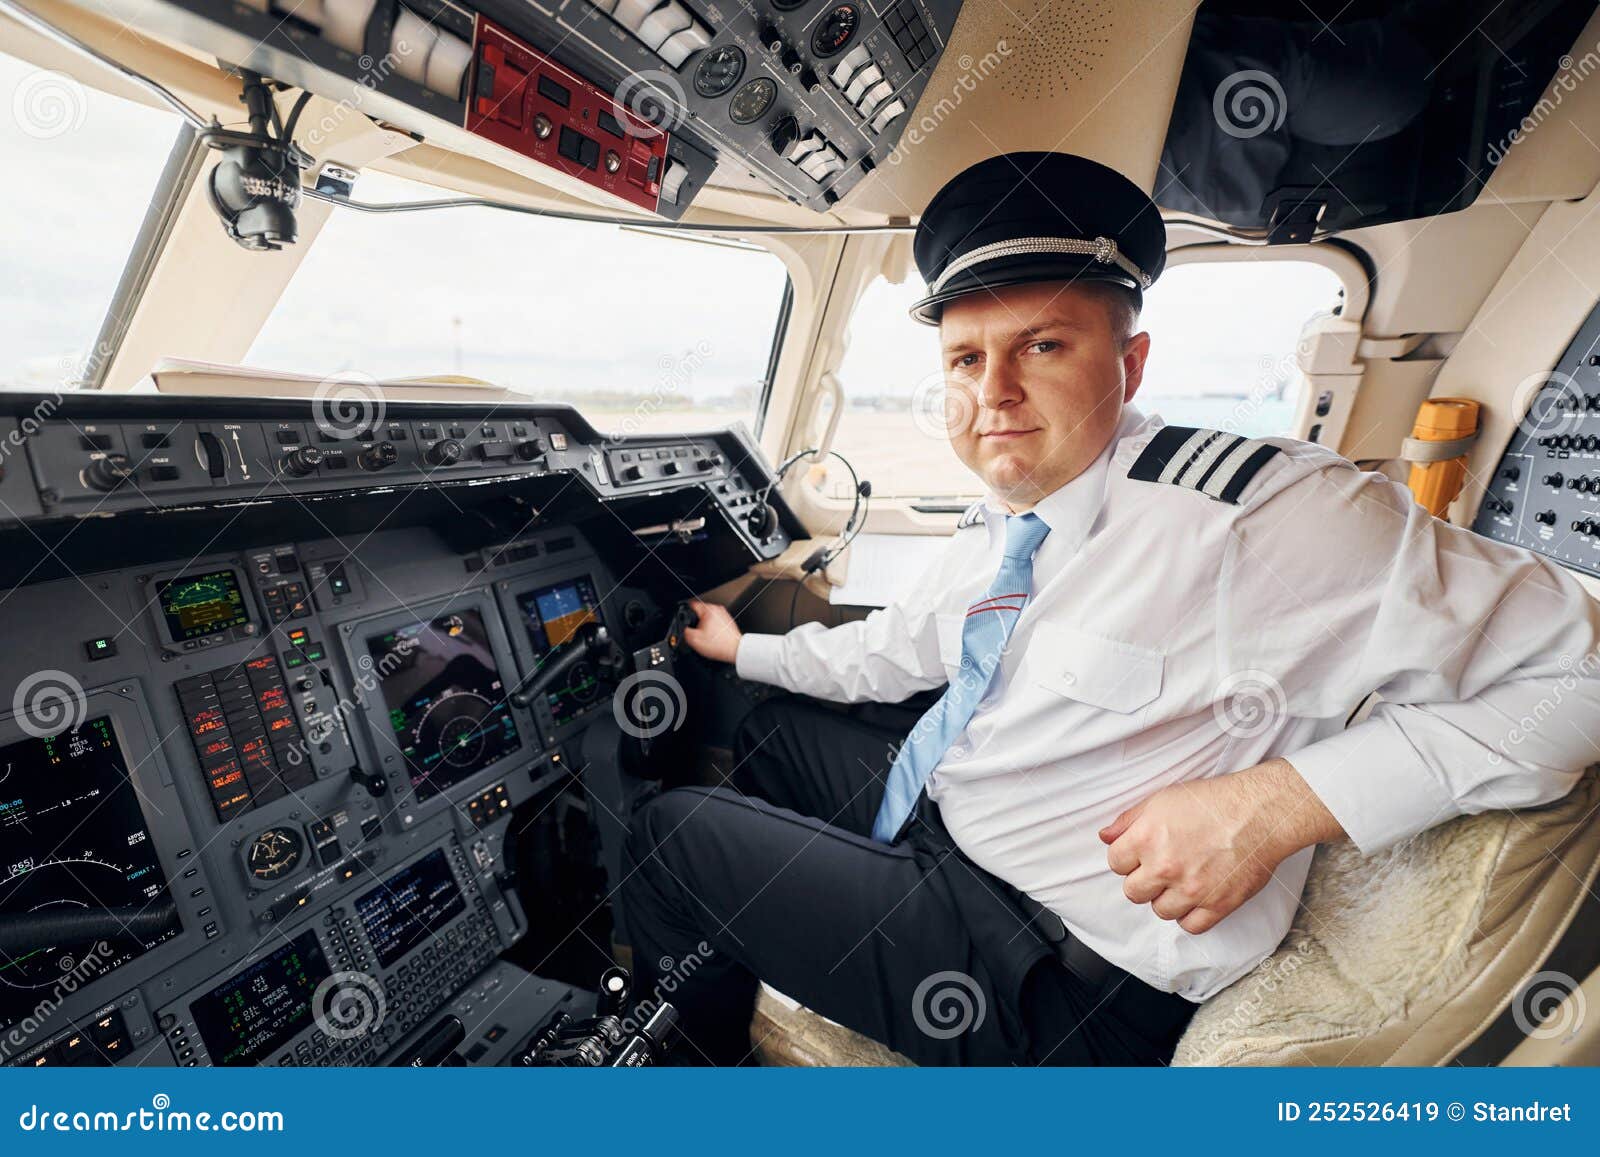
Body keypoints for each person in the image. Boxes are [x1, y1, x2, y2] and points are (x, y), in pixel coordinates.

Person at [620, 151, 1600, 1066]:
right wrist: (744, 648)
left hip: (1061, 973)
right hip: (962, 825)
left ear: (1128, 367)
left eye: (1041, 344)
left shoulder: (1261, 514)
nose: (992, 393)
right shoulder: (1014, 501)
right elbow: (904, 648)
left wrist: (1278, 803)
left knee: (670, 836)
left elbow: (1582, 674)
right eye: (965, 360)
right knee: (759, 730)